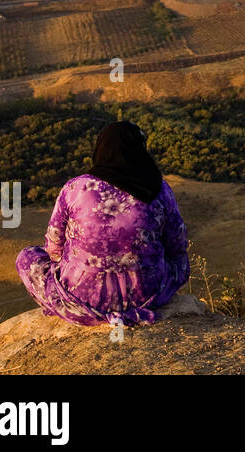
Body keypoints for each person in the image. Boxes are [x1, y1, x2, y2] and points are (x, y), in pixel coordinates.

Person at [16, 120, 190, 327]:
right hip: (148, 292)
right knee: (180, 262)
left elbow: (53, 248)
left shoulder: (75, 188)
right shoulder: (159, 189)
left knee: (26, 258)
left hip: (83, 296)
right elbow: (177, 244)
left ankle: (75, 309)